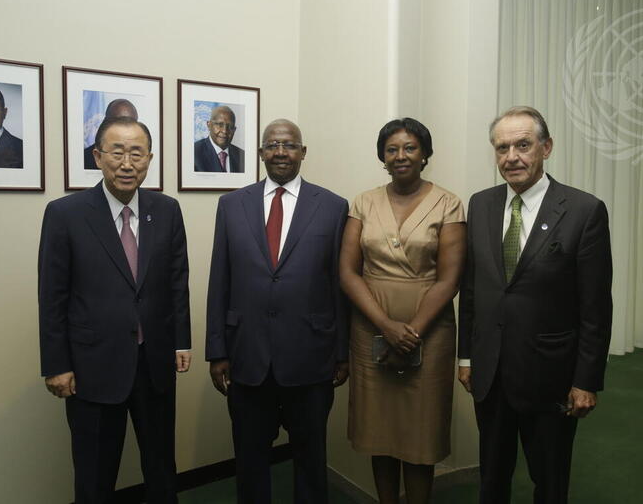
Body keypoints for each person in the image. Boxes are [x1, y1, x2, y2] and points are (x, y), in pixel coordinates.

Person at [458, 106, 613, 503]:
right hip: (490, 374)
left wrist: (586, 380)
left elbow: (595, 307)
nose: (512, 157)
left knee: (550, 479)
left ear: (546, 147)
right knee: (492, 479)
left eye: (523, 145)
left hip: (551, 377)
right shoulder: (481, 204)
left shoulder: (583, 211)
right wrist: (467, 358)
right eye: (502, 147)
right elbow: (473, 289)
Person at [39, 116, 192, 504]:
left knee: (161, 468)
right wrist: (56, 364)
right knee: (94, 475)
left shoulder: (167, 209)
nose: (127, 163)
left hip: (154, 363)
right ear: (97, 156)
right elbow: (53, 296)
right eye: (117, 152)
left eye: (137, 153)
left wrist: (181, 342)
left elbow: (177, 281)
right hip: (93, 366)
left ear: (150, 158)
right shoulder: (65, 214)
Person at [205, 119, 348, 503]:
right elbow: (220, 278)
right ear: (260, 153)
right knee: (250, 459)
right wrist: (217, 350)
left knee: (310, 457)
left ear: (303, 152)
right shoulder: (231, 205)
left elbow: (339, 284)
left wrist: (342, 352)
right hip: (247, 354)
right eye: (272, 145)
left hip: (311, 355)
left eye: (289, 145)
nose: (280, 152)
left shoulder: (333, 206)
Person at [340, 118, 466, 504]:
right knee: (379, 430)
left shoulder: (448, 203)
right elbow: (347, 271)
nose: (401, 156)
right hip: (370, 326)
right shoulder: (363, 201)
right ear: (382, 156)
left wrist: (410, 331)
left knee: (419, 431)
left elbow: (450, 279)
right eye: (392, 149)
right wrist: (385, 326)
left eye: (410, 148)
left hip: (430, 330)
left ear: (425, 154)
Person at [83, 99, 139, 169]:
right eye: (120, 123)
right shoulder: (85, 158)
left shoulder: (140, 158)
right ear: (106, 123)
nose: (126, 130)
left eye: (131, 124)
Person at [193, 105, 245, 173]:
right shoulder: (194, 153)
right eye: (220, 125)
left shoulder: (242, 156)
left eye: (230, 127)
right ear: (209, 125)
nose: (224, 131)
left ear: (234, 130)